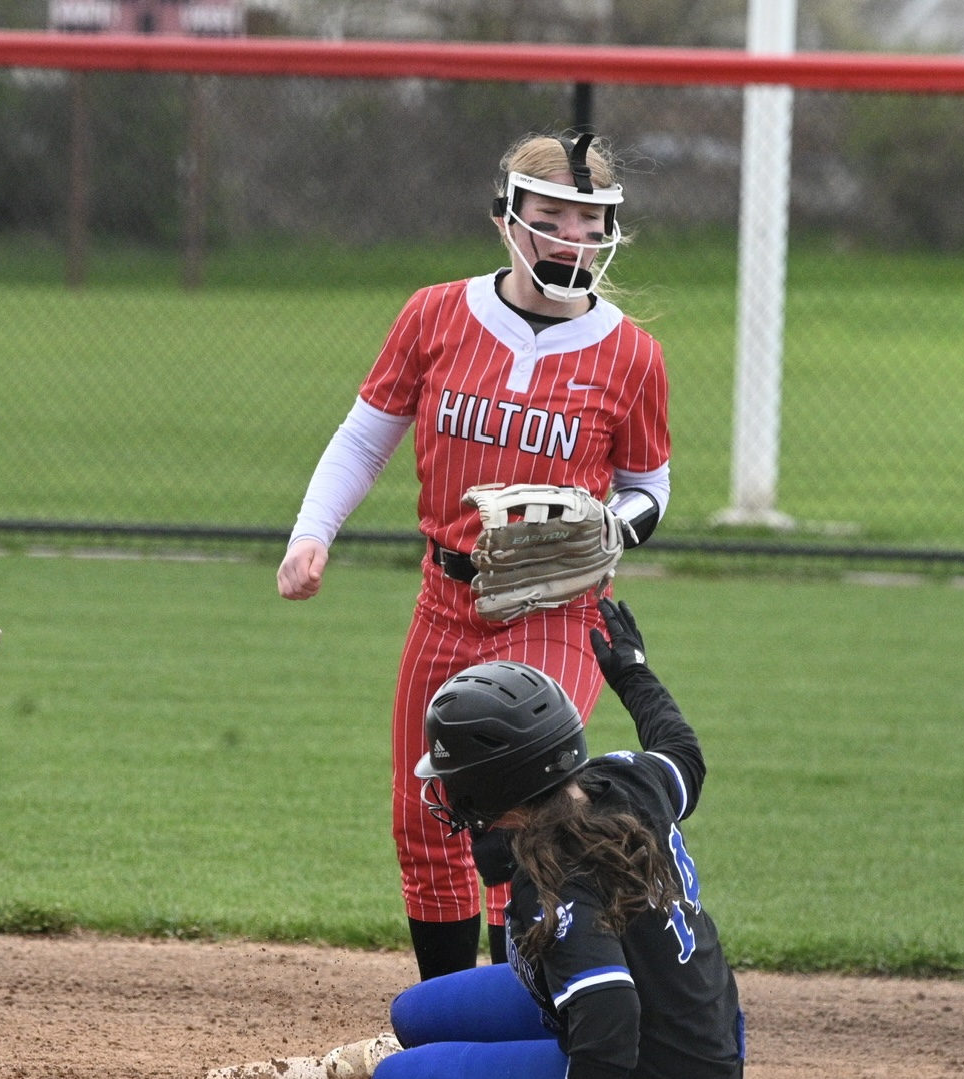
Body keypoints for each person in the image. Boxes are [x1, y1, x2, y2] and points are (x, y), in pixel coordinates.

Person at [278, 130, 673, 980]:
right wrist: (312, 533)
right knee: (425, 812)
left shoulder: (631, 352)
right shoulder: (435, 313)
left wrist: (612, 529)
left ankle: (526, 1009)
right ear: (508, 218)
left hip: (556, 608)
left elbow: (650, 486)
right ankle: (450, 1015)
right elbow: (363, 439)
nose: (572, 237)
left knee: (523, 803)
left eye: (588, 221)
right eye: (552, 218)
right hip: (445, 599)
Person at [387, 598, 743, 1079]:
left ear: (488, 786)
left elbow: (611, 1025)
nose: (444, 787)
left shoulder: (551, 876)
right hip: (699, 1021)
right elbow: (683, 754)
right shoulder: (624, 779)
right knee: (414, 1015)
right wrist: (633, 674)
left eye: (452, 775)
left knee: (401, 1075)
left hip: (654, 1062)